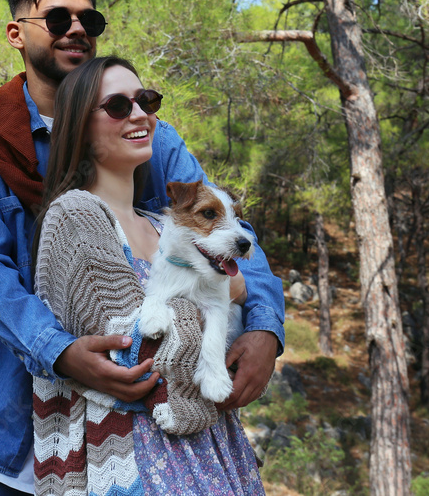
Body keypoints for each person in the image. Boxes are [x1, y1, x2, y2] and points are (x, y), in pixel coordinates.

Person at [0, 0, 284, 495]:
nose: (76, 29)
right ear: (16, 34)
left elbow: (225, 233)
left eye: (89, 19)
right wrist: (60, 351)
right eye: (57, 18)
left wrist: (264, 328)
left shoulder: (149, 137)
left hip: (142, 425)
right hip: (5, 416)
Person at [32, 55, 266, 495]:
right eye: (118, 106)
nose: (140, 113)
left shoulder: (163, 227)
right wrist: (227, 303)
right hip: (137, 451)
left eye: (146, 100)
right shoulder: (76, 216)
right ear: (80, 127)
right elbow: (136, 348)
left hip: (212, 446)